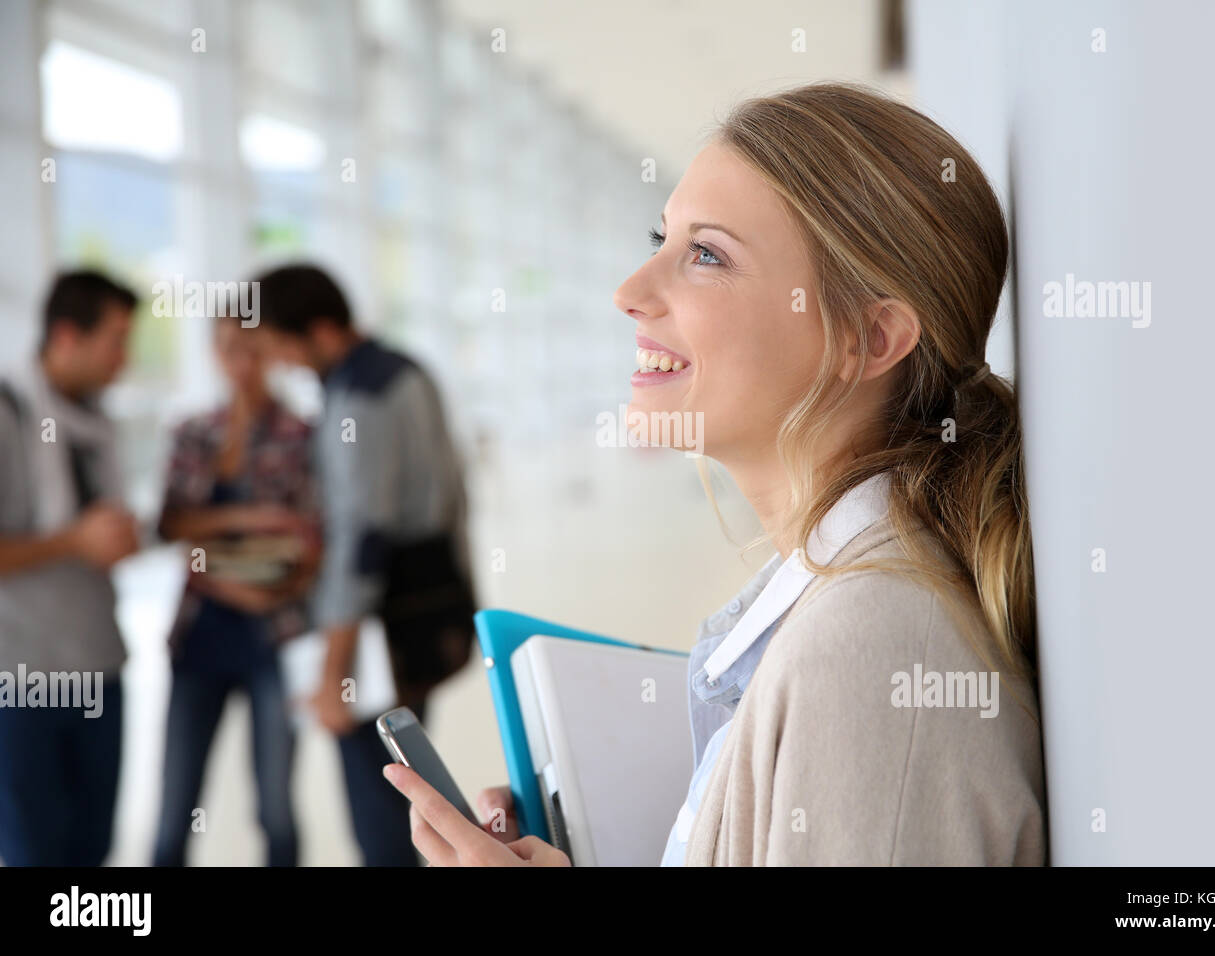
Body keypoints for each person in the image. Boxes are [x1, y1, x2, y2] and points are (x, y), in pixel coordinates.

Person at [383, 81, 1047, 866]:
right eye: (660, 239)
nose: (629, 292)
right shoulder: (845, 606)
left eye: (706, 255)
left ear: (868, 340)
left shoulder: (870, 653)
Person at [255, 264, 475, 867]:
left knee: (381, 809)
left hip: (382, 631)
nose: (280, 362)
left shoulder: (363, 395)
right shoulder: (404, 372)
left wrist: (334, 671)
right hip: (427, 609)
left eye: (281, 345)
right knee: (401, 789)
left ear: (320, 330)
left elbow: (362, 538)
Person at [152, 313, 318, 867]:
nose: (240, 363)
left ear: (270, 353)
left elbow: (311, 536)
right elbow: (170, 524)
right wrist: (252, 516)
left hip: (275, 632)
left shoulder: (302, 434)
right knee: (176, 807)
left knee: (276, 807)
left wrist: (274, 578)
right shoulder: (194, 429)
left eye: (251, 349)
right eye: (227, 349)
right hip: (200, 636)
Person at [0, 269, 140, 865]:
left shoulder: (99, 421)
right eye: (115, 340)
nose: (123, 358)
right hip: (22, 678)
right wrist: (74, 542)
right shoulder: (9, 414)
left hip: (98, 666)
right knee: (35, 850)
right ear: (66, 335)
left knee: (91, 852)